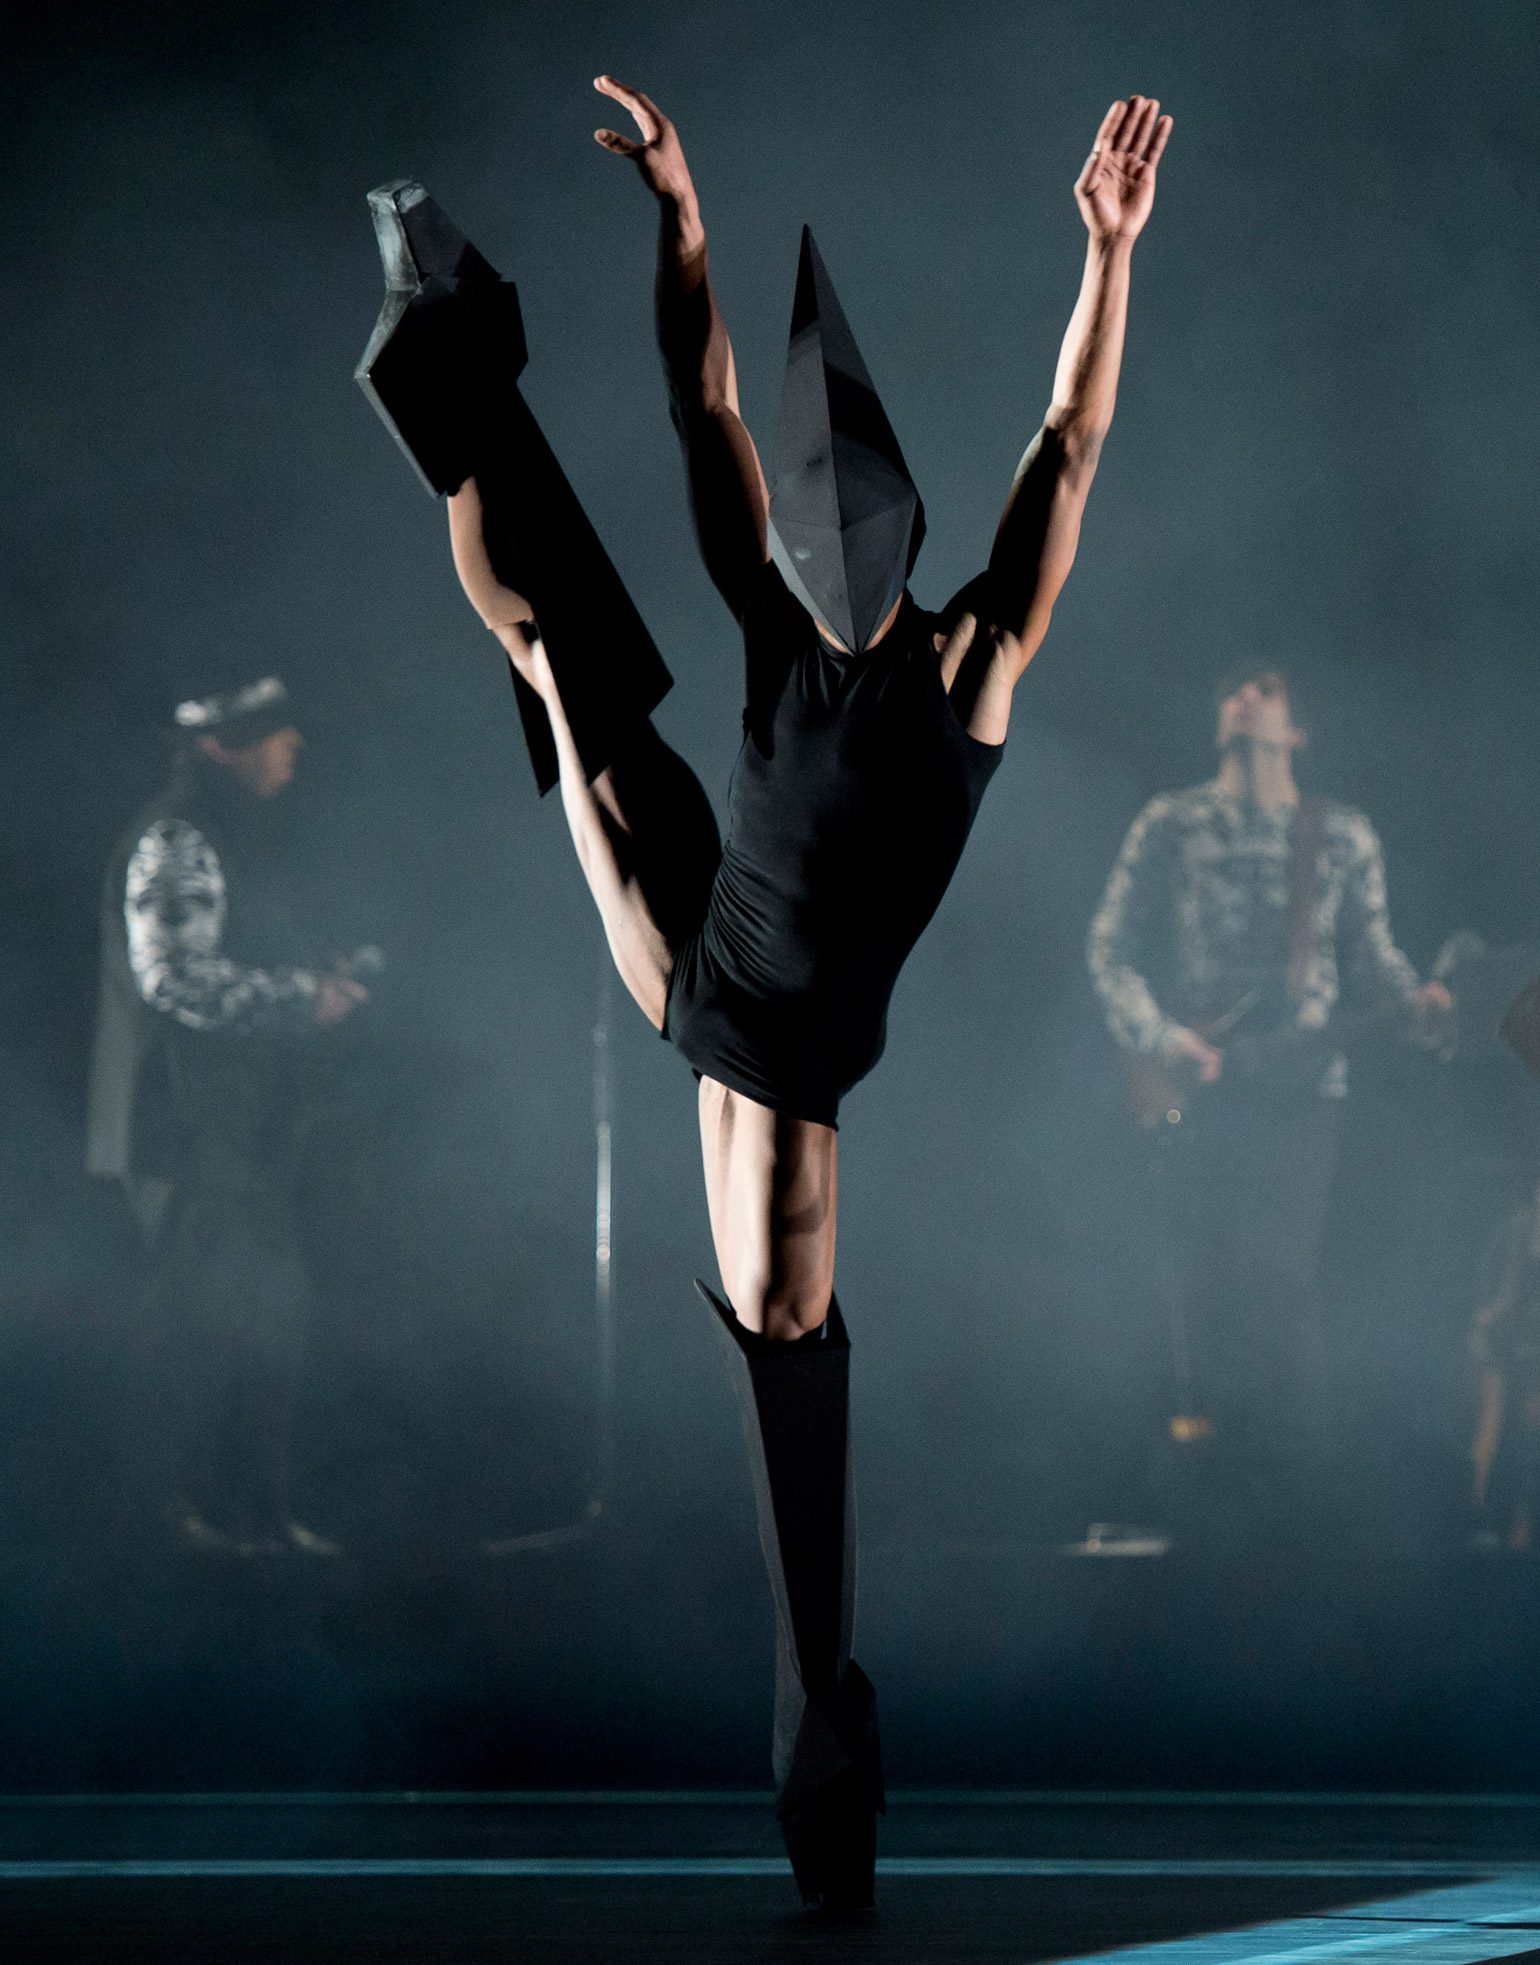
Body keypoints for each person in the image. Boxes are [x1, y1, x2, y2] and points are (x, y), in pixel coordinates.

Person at [439, 80, 1169, 1907]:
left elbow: (1071, 437)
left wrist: (1107, 258)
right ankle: (445, 384)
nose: (824, 598)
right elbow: (702, 404)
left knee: (786, 1350)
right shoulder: (776, 623)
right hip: (716, 945)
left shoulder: (976, 657)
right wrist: (681, 228)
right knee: (551, 655)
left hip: (769, 1031)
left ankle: (823, 1758)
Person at [1087, 665, 1451, 1513]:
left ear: (1298, 730)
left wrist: (1418, 1007)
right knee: (1202, 1284)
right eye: (1233, 688)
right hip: (1198, 1088)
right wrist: (1164, 1039)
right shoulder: (1171, 823)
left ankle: (1299, 1490)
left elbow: (1375, 954)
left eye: (1267, 688)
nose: (1244, 695)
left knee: (1279, 1278)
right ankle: (1208, 1491)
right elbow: (1109, 947)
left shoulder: (1343, 835)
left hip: (1302, 1092)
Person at [87, 677, 367, 1555]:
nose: (292, 745)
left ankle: (243, 1516)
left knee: (261, 1319)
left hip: (231, 1142)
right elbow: (172, 979)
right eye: (271, 732)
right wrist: (303, 996)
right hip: (185, 1136)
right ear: (219, 748)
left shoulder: (220, 838)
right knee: (201, 1328)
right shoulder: (176, 837)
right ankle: (172, 1525)